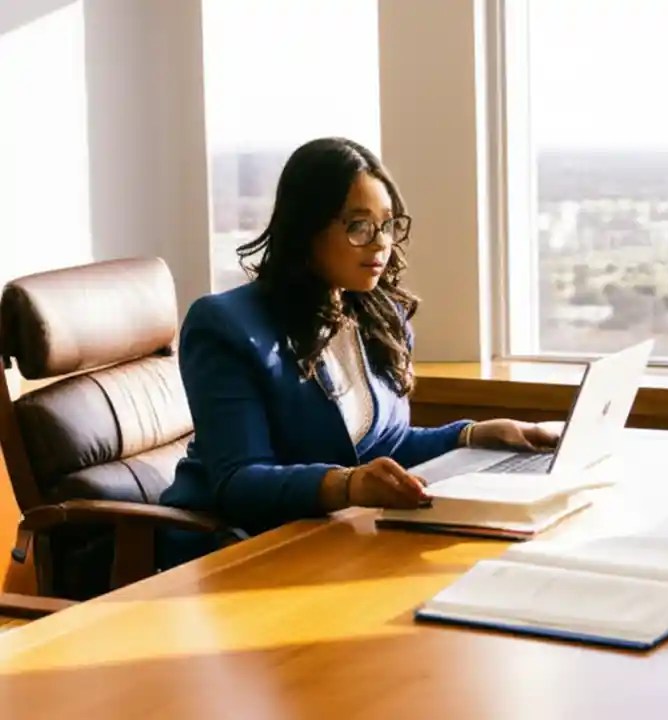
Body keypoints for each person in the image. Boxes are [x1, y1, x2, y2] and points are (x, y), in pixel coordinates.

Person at [158, 137, 556, 566]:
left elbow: (385, 448)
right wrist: (347, 486)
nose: (380, 242)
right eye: (359, 225)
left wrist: (475, 435)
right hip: (230, 548)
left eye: (387, 224)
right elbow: (239, 482)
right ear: (307, 228)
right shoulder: (226, 324)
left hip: (330, 538)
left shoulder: (377, 317)